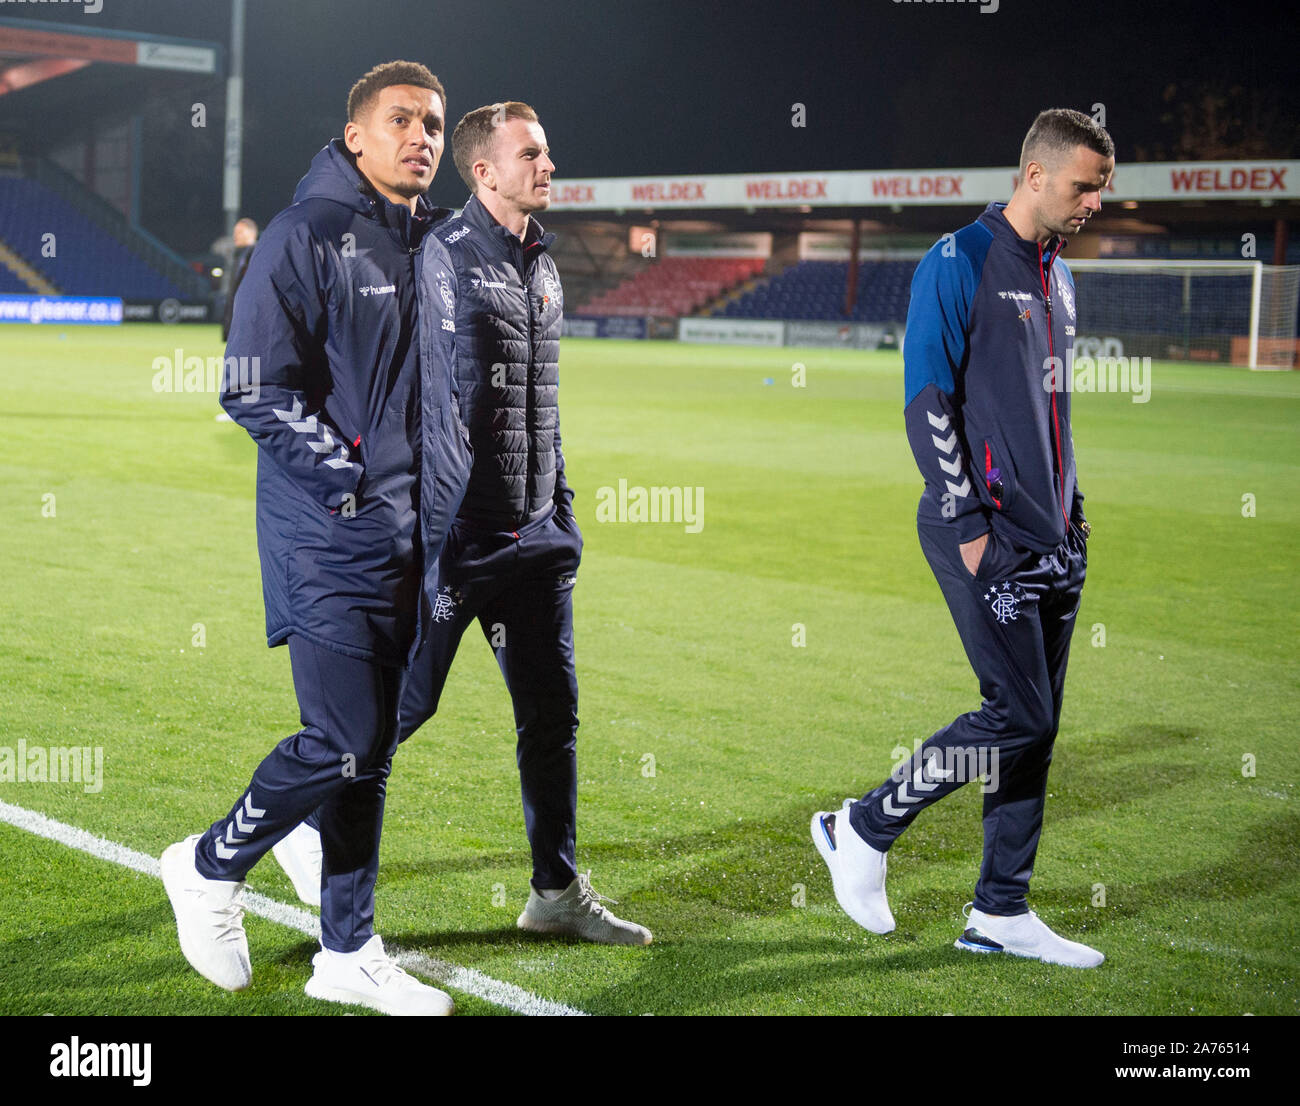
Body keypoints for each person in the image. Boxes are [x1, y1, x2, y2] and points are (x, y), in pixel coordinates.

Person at [276, 101, 651, 946]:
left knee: (552, 718)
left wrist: (563, 513)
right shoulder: (439, 255)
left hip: (537, 544)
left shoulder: (545, 267)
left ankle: (555, 891)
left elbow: (541, 405)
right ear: (483, 171)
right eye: (533, 153)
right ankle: (296, 829)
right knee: (396, 710)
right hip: (455, 541)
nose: (549, 165)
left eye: (548, 152)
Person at [160, 60, 472, 1015]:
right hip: (327, 537)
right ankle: (211, 864)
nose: (421, 137)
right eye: (401, 120)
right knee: (344, 739)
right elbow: (252, 384)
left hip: (413, 541)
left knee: (367, 753)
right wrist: (348, 484)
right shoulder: (305, 235)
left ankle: (346, 949)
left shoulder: (433, 244)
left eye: (431, 123)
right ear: (356, 138)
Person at [812, 108, 1114, 968]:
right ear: (1035, 174)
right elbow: (926, 403)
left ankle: (1001, 910)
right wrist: (970, 525)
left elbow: (1046, 412)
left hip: (1054, 539)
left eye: (1102, 188)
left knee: (1038, 726)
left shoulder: (1060, 279)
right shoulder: (960, 261)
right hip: (981, 533)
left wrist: (1073, 507)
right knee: (1014, 711)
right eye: (1085, 183)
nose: (1095, 201)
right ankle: (860, 829)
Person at [220, 217, 258, 343]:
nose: (235, 236)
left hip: (247, 320)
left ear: (252, 234)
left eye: (240, 232)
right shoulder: (239, 255)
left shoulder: (255, 254)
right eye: (235, 232)